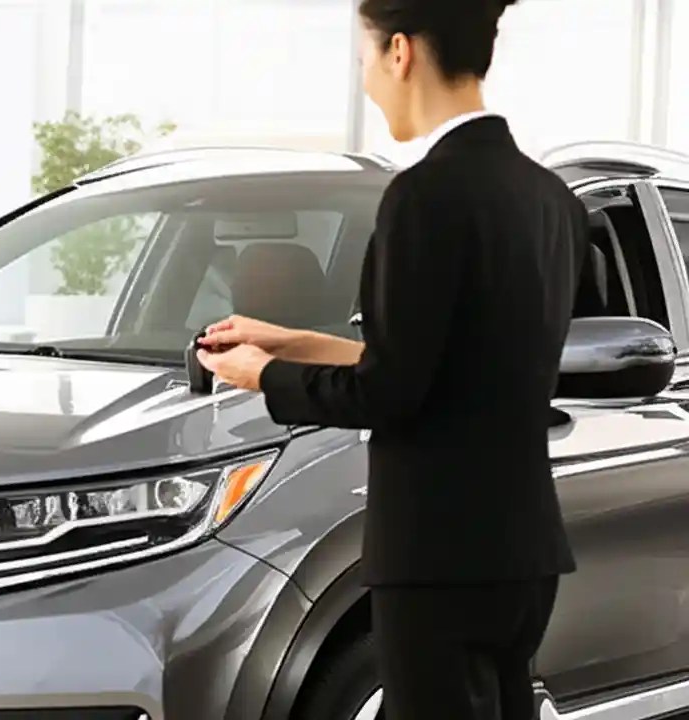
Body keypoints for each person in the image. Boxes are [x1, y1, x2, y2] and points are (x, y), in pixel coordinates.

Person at [196, 1, 585, 718]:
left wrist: (263, 376)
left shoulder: (423, 195)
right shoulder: (551, 199)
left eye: (364, 61)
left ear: (399, 52)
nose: (368, 83)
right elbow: (452, 365)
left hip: (435, 553)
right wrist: (289, 340)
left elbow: (389, 391)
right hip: (523, 552)